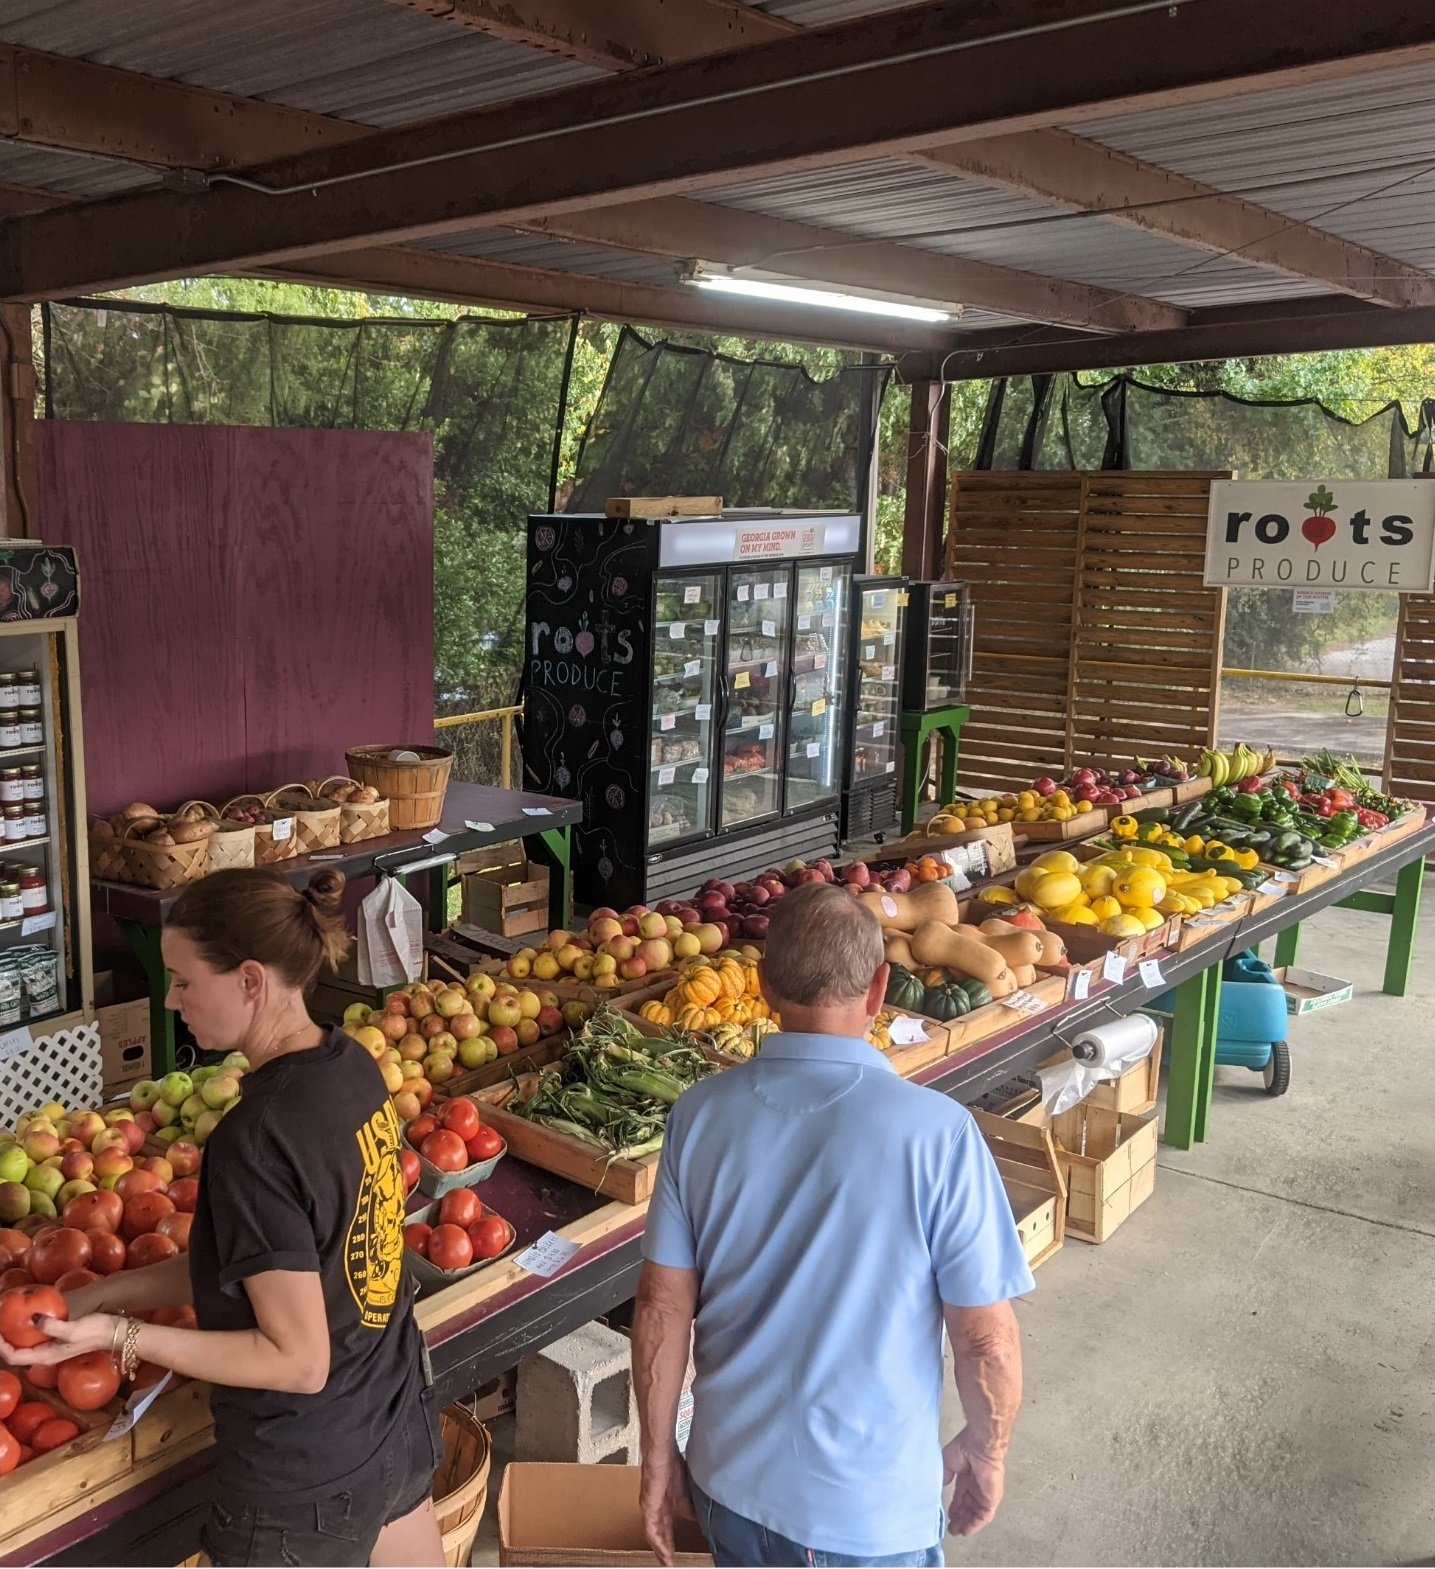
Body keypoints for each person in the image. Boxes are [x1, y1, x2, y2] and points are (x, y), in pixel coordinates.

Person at [0, 868, 443, 1568]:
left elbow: (297, 1361)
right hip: (393, 1419)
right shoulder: (349, 1063)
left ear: (249, 980)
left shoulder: (256, 1137)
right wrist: (91, 1297)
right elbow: (271, 1265)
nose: (171, 999)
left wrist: (120, 1336)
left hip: (303, 1475)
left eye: (182, 980)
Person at [633, 881, 1032, 1568]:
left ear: (762, 986)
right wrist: (985, 1449)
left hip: (726, 1485)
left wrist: (656, 1456)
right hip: (862, 1516)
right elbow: (985, 1340)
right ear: (880, 987)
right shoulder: (937, 1134)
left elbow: (661, 1305)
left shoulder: (698, 1115)